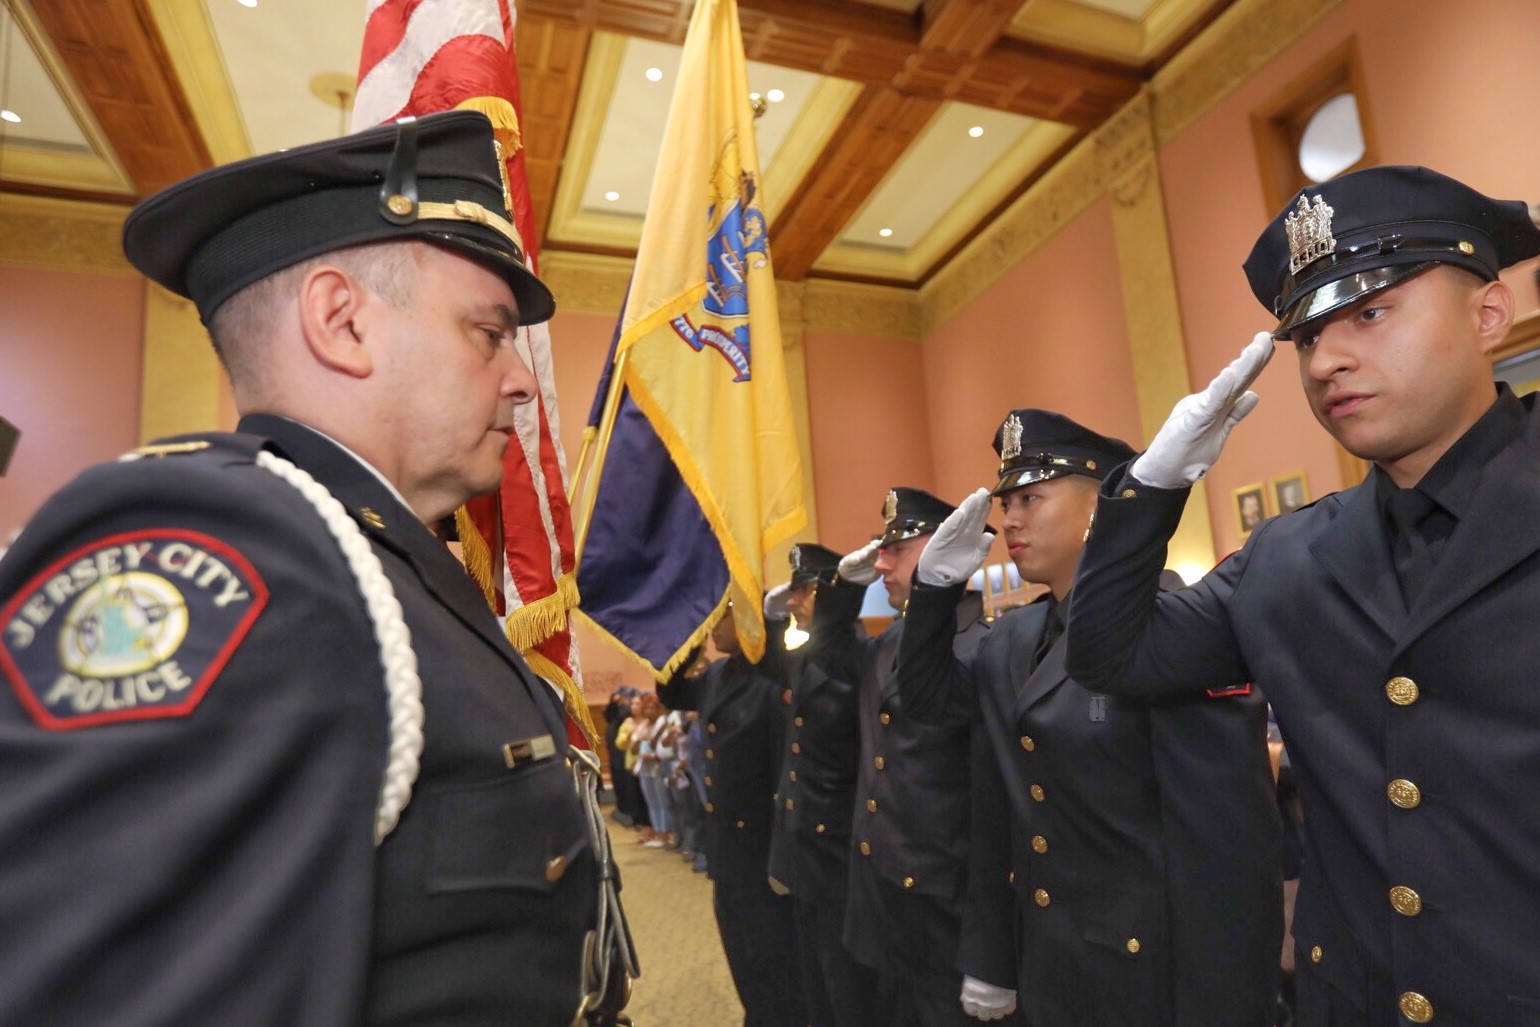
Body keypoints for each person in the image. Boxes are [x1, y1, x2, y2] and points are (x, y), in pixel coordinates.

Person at [0, 111, 631, 1025]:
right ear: (342, 323)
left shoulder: (382, 556)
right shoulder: (226, 543)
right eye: (488, 333)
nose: (522, 378)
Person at [1064, 165, 1540, 1026]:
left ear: (1489, 313)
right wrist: (1151, 488)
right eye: (1307, 335)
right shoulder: (1290, 557)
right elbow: (1110, 652)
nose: (1327, 360)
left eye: (1370, 312)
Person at [898, 409, 1282, 1026]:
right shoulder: (1013, 637)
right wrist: (935, 588)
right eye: (1006, 503)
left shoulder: (1173, 628)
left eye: (1031, 498)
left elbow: (1226, 852)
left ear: (1101, 509)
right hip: (1052, 963)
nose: (1009, 520)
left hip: (1151, 977)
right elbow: (927, 702)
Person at [812, 488, 1019, 1026]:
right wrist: (842, 588)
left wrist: (991, 950)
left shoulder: (985, 645)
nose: (881, 563)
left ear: (946, 548)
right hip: (885, 904)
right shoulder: (889, 642)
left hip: (948, 912)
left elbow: (999, 809)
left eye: (897, 548)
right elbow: (828, 654)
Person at [658, 613, 806, 1027]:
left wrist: (783, 855)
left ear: (745, 620)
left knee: (774, 962)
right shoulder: (717, 674)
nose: (712, 629)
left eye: (719, 618)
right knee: (743, 958)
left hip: (763, 847)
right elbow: (672, 692)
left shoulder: (774, 676)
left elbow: (786, 771)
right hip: (726, 849)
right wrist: (689, 640)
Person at [762, 542, 880, 1026]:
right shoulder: (808, 658)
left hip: (843, 857)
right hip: (806, 856)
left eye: (804, 590)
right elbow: (769, 662)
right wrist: (770, 619)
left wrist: (841, 591)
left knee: (850, 991)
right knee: (817, 986)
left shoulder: (856, 657)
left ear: (830, 594)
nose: (793, 601)